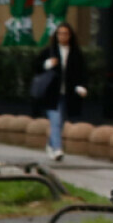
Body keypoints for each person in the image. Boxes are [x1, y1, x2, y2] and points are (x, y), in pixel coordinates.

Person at [38, 22, 89, 162]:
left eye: (66, 33)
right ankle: (57, 149)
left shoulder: (76, 53)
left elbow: (81, 73)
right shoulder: (50, 51)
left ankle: (51, 144)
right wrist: (47, 64)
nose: (63, 36)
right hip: (52, 93)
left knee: (60, 122)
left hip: (68, 93)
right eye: (60, 33)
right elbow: (36, 68)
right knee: (55, 120)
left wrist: (81, 86)